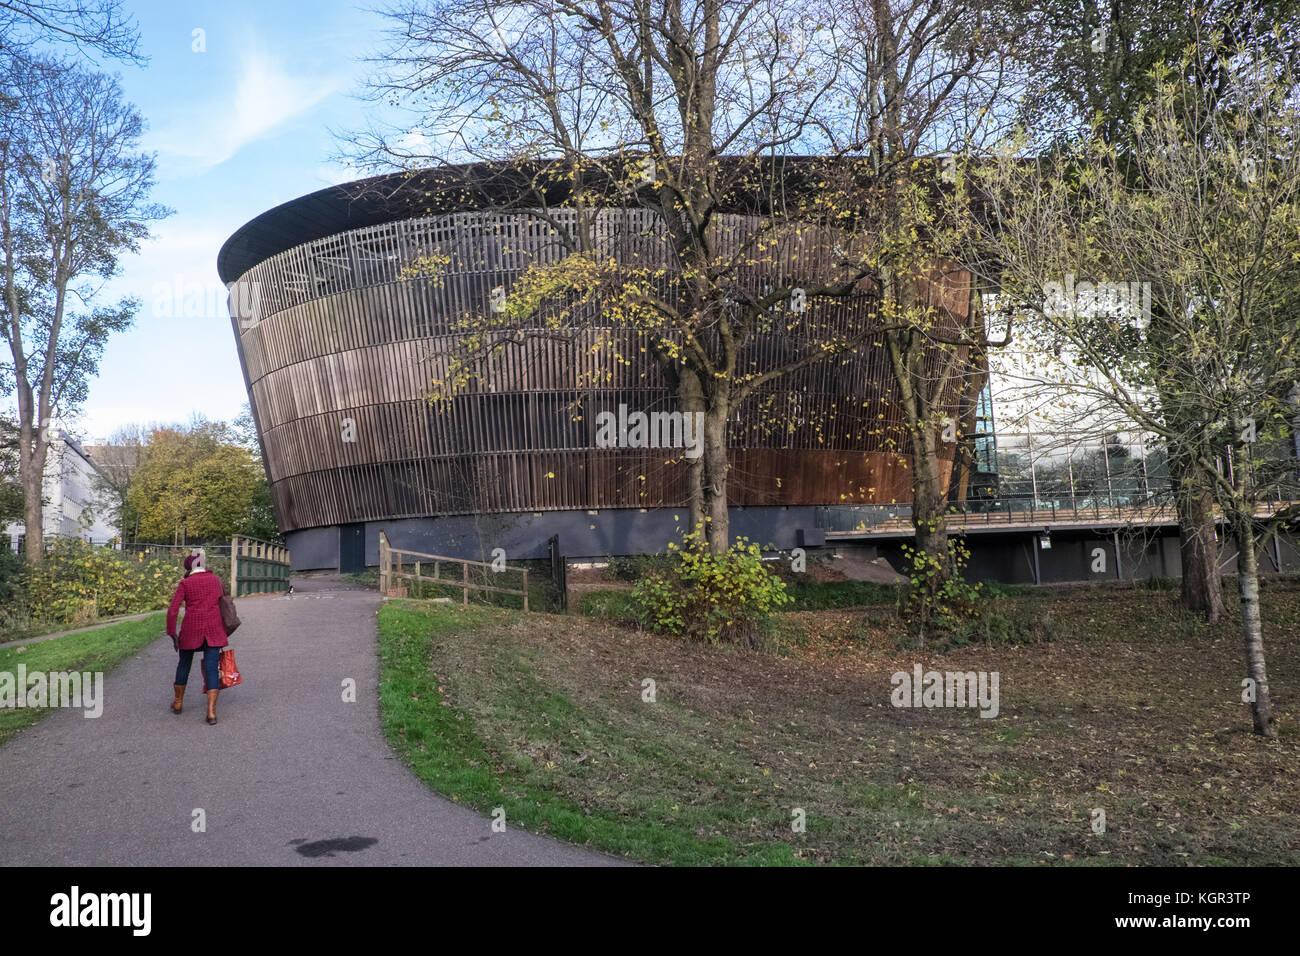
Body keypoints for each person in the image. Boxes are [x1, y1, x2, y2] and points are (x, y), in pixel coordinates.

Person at [166, 549, 229, 725]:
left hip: (190, 630)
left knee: (184, 664)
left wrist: (172, 632)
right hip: (213, 630)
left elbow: (173, 610)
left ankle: (178, 703)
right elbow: (225, 603)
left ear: (189, 568)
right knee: (211, 668)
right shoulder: (217, 581)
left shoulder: (185, 583)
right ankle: (211, 712)